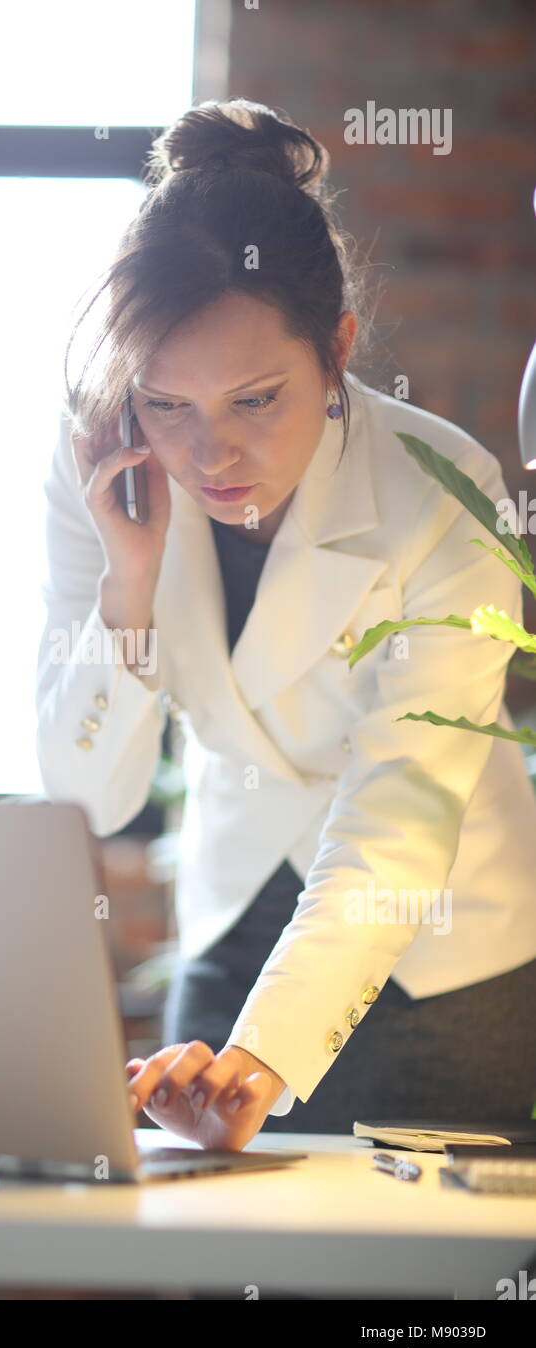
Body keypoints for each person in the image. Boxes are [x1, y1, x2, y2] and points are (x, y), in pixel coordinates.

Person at [35, 98, 536, 1148]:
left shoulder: (443, 489)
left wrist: (262, 1055)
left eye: (255, 400)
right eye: (167, 404)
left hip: (438, 947)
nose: (209, 456)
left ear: (337, 350)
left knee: (406, 1286)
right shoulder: (98, 465)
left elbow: (398, 808)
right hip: (230, 907)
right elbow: (90, 790)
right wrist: (126, 586)